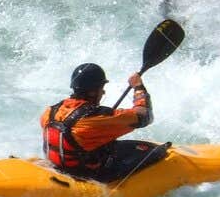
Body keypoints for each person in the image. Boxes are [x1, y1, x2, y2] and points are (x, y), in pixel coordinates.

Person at [39, 63, 168, 183]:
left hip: (59, 165)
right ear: (92, 92)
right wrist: (138, 87)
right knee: (155, 151)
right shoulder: (96, 118)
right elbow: (144, 116)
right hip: (88, 173)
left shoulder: (50, 111)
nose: (103, 92)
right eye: (102, 88)